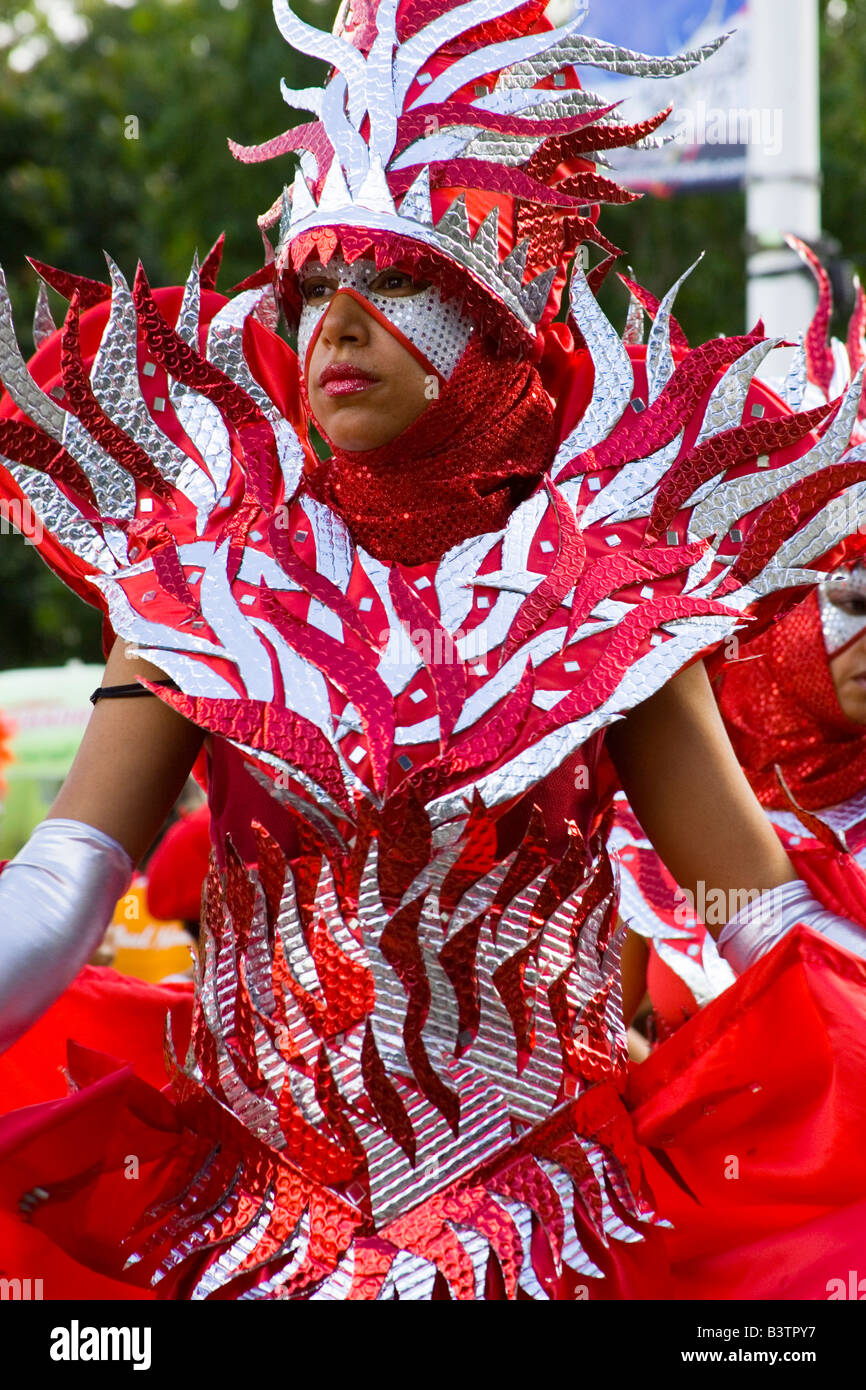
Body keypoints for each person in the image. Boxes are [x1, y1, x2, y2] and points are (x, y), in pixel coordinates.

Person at [0, 0, 865, 1301]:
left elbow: (758, 918)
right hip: (234, 1238)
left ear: (498, 313)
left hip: (553, 1236)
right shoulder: (200, 583)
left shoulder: (606, 601)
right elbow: (63, 882)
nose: (336, 325)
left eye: (394, 281)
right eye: (312, 288)